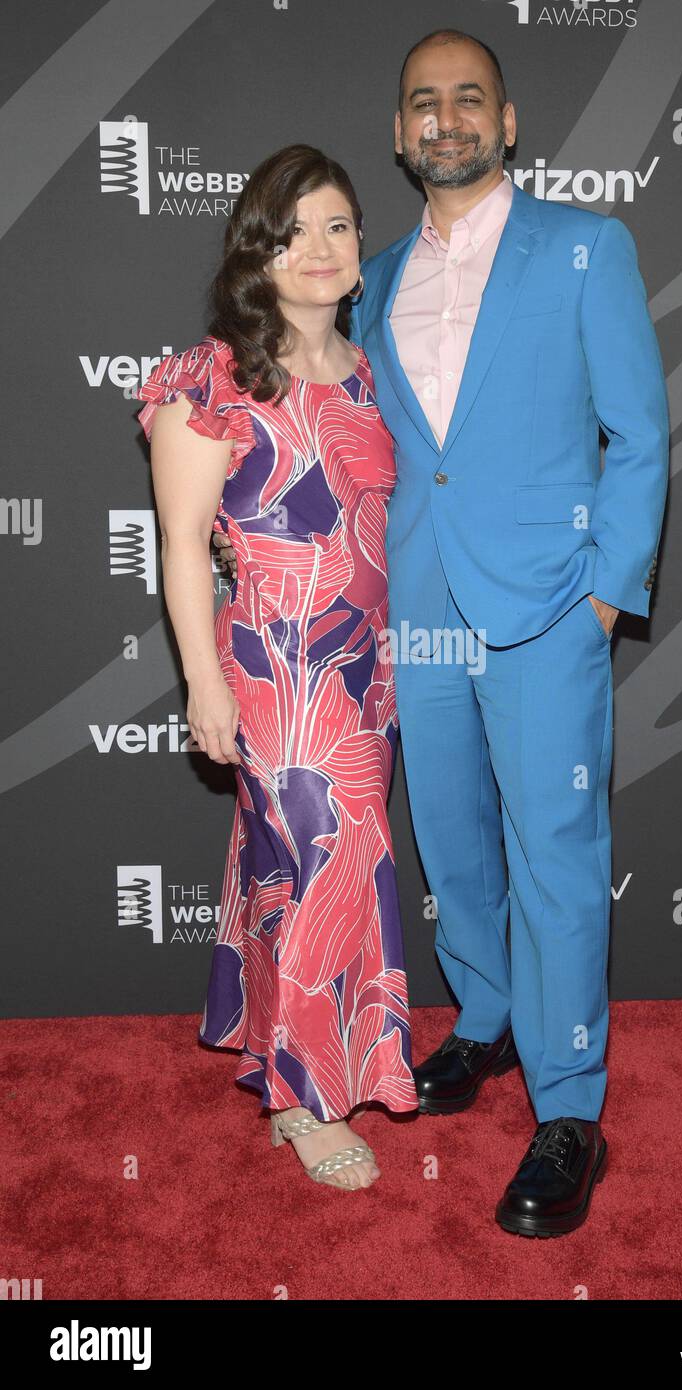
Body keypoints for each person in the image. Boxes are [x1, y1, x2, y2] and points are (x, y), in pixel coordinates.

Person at [217, 27, 670, 1238]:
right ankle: (482, 1023)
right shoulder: (373, 275)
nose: (446, 118)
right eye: (423, 102)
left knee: (557, 854)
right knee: (454, 845)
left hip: (544, 612)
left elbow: (639, 431)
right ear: (400, 131)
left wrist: (605, 595)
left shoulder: (585, 249)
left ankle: (568, 1106)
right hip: (414, 615)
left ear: (507, 121)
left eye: (469, 98)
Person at [136, 145, 418, 1192]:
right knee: (322, 863)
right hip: (270, 664)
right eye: (292, 228)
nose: (319, 247)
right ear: (257, 250)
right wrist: (204, 685)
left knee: (288, 868)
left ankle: (280, 1053)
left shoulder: (370, 372)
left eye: (339, 225)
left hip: (361, 668)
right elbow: (181, 546)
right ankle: (305, 1099)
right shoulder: (210, 378)